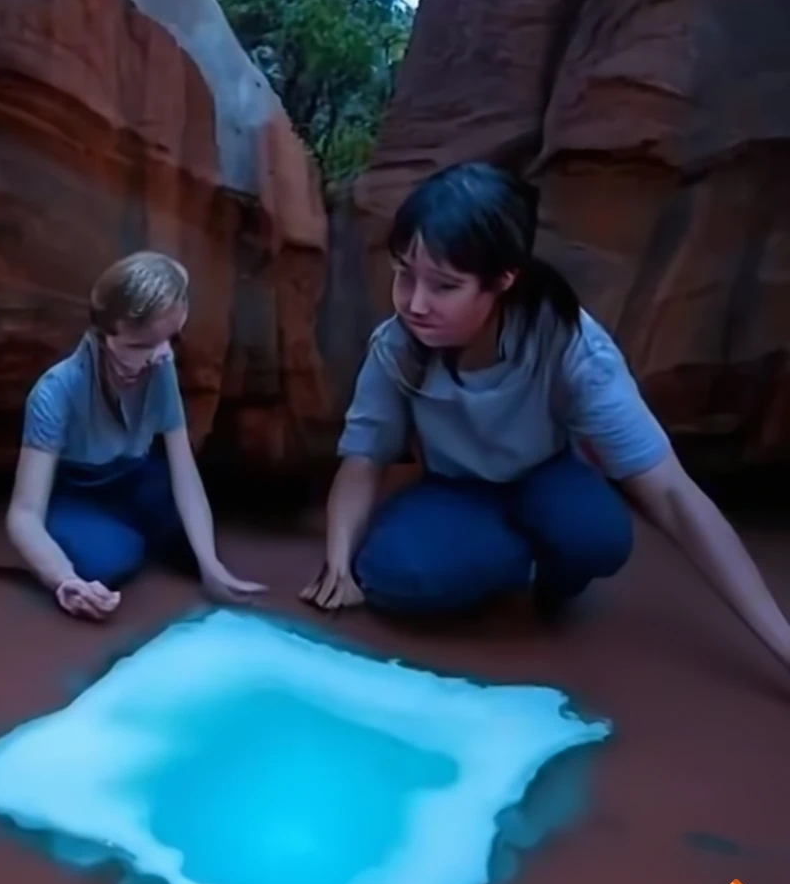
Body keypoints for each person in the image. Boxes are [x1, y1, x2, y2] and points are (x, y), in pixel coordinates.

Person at [301, 162, 790, 678]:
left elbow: (670, 491)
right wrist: (338, 559)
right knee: (393, 577)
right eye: (404, 274)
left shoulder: (572, 347)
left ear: (503, 280)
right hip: (457, 487)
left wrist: (781, 639)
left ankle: (532, 563)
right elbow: (363, 458)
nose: (415, 304)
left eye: (444, 285)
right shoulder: (396, 347)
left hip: (546, 475)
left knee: (594, 535)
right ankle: (504, 555)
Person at [6, 250, 266, 621]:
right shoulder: (55, 392)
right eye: (140, 346)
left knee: (193, 540)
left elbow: (184, 470)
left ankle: (143, 534)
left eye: (171, 340)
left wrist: (210, 565)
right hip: (84, 489)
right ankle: (119, 537)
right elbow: (23, 514)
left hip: (139, 475)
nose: (161, 356)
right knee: (104, 563)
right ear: (103, 334)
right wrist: (63, 579)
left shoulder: (160, 366)